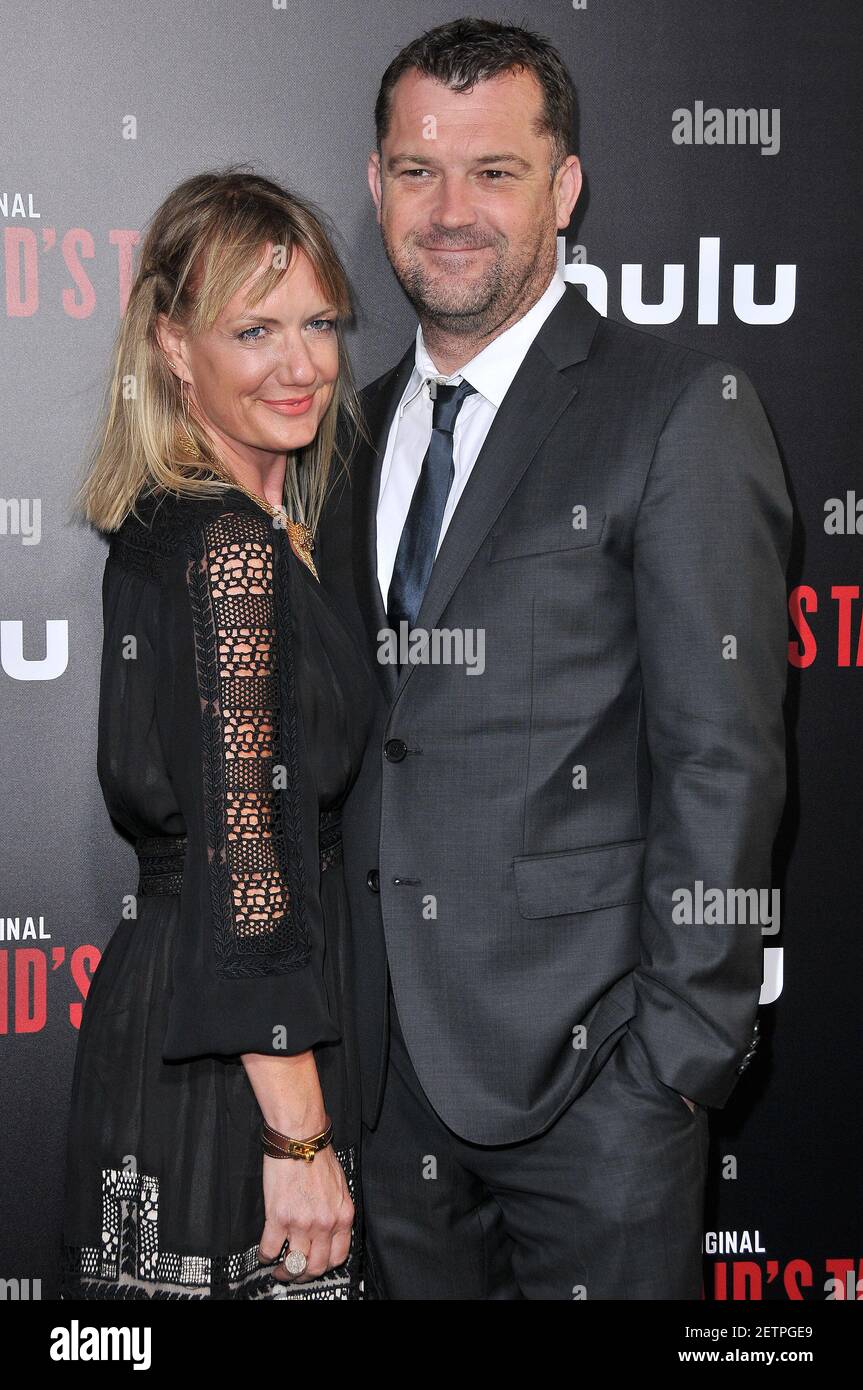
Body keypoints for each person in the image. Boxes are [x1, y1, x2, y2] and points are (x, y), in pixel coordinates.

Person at [317, 18, 792, 1299]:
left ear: (564, 187)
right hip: (384, 1086)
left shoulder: (674, 411)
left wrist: (675, 1059)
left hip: (598, 1092)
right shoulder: (345, 438)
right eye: (417, 171)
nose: (451, 208)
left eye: (496, 169)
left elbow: (724, 760)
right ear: (375, 186)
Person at [61, 168, 375, 1299]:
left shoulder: (178, 522)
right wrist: (297, 1142)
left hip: (181, 1030)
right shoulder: (229, 550)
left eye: (318, 323)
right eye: (255, 329)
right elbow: (247, 866)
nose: (303, 364)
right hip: (240, 1074)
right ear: (173, 345)